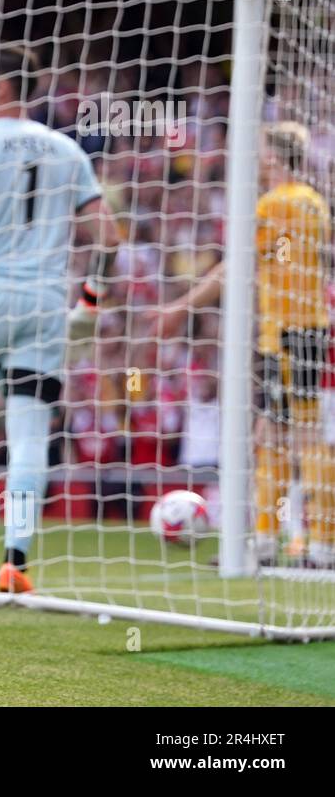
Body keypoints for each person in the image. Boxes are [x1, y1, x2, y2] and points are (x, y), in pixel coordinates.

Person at [0, 44, 119, 593]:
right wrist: (89, 298)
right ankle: (15, 563)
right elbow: (109, 238)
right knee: (30, 439)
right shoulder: (67, 150)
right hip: (43, 307)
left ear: (4, 88)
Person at [151, 121, 332, 567]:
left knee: (301, 437)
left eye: (260, 147)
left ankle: (321, 545)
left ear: (273, 155)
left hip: (289, 333)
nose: (255, 156)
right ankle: (269, 542)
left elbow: (238, 267)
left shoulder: (277, 204)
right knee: (269, 436)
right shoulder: (312, 203)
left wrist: (181, 308)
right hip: (303, 330)